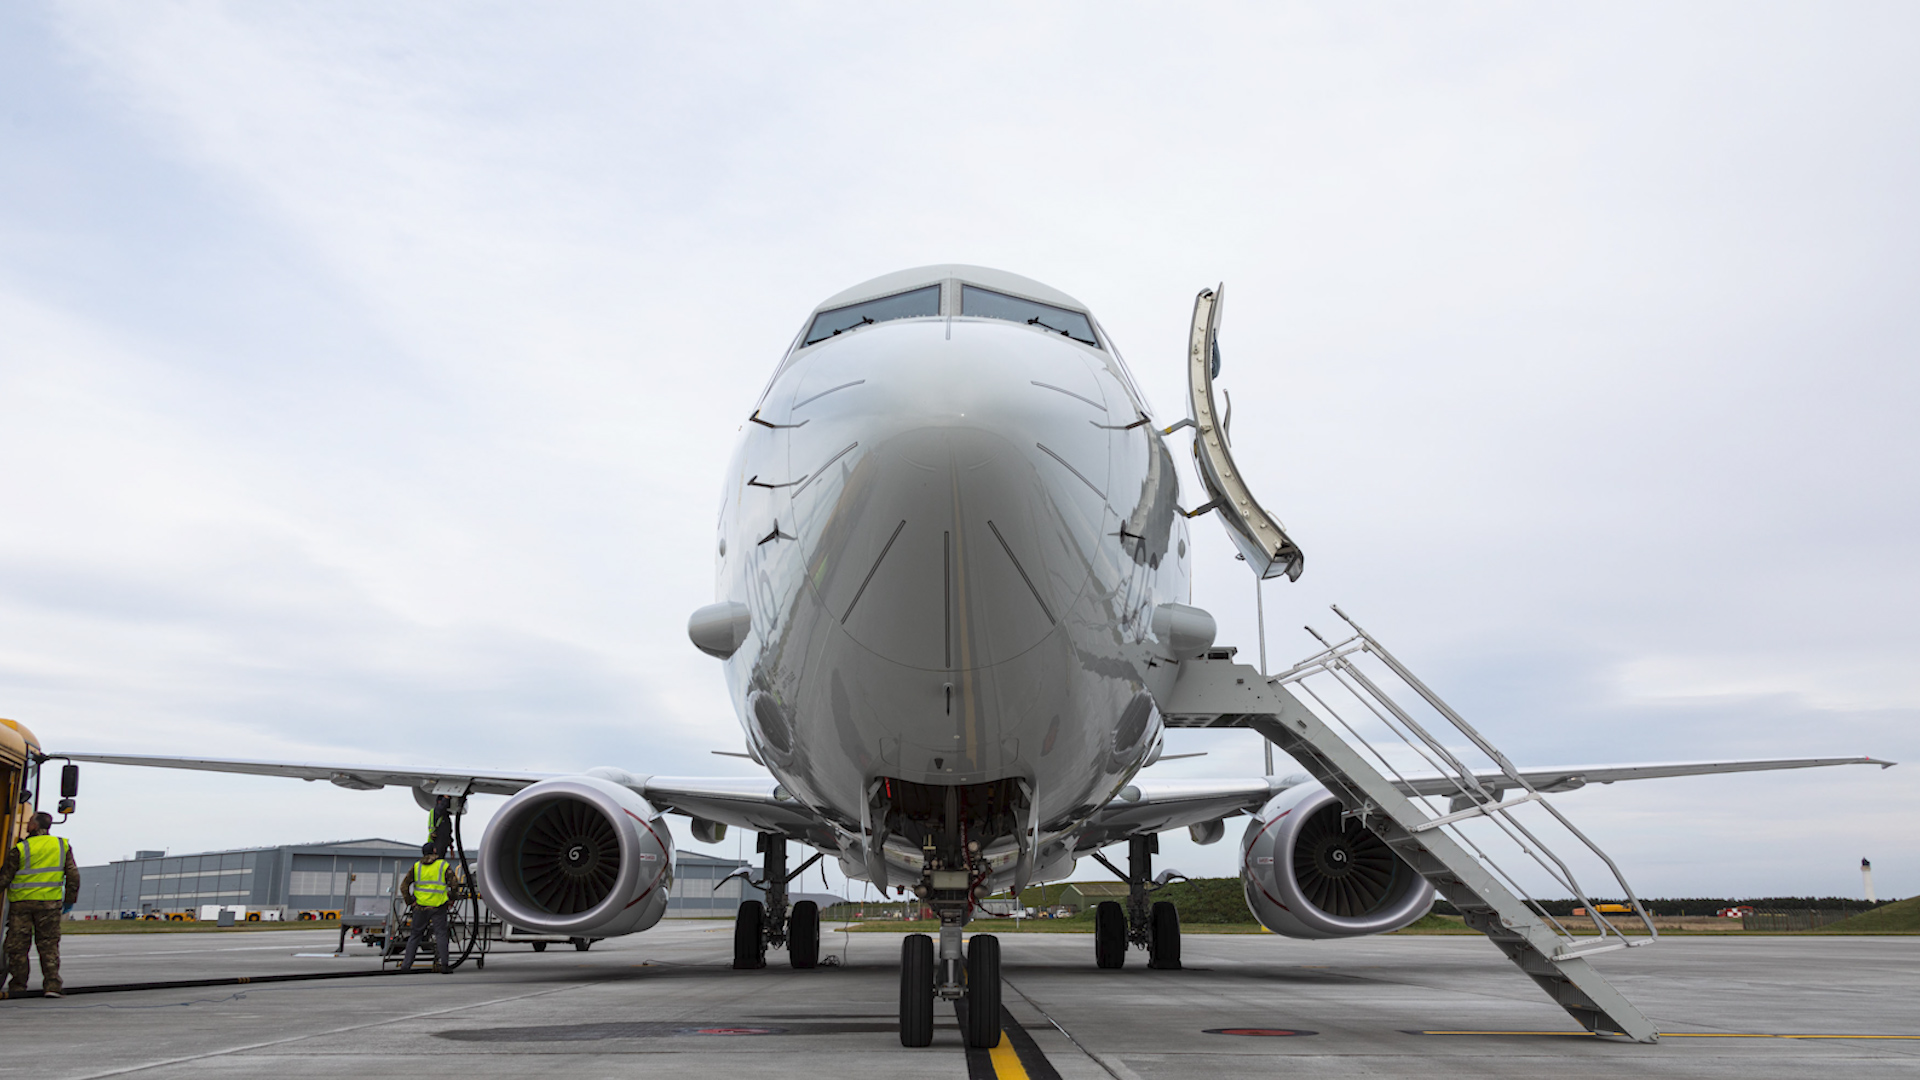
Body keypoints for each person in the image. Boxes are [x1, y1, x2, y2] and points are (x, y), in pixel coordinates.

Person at [1, 812, 80, 997]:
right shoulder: (61, 846)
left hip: (22, 905)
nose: (27, 824)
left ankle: (18, 986)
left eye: (29, 822)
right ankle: (52, 985)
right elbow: (73, 875)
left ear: (35, 826)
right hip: (49, 906)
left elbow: (4, 878)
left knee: (18, 947)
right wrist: (69, 899)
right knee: (49, 945)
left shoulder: (21, 848)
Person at [399, 841, 452, 972]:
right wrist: (451, 900)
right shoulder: (443, 865)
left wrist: (410, 901)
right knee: (441, 935)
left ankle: (406, 965)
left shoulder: (417, 866)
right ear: (434, 851)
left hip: (420, 907)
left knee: (415, 935)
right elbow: (454, 885)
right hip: (438, 906)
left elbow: (404, 886)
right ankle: (444, 965)